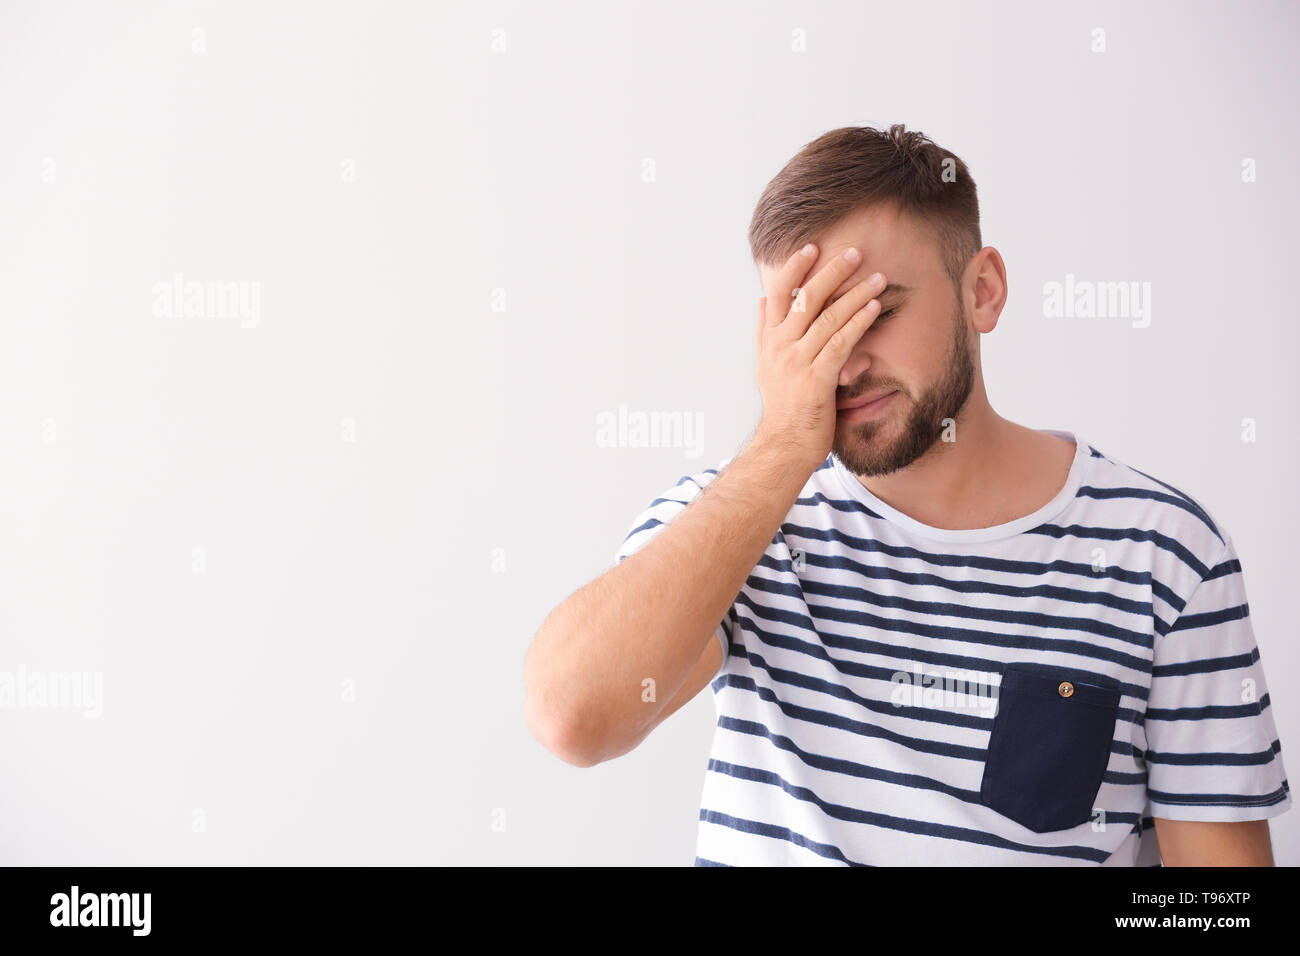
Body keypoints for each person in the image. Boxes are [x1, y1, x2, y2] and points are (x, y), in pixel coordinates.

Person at [522, 124, 1291, 866]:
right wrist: (783, 447)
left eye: (875, 313)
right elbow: (572, 718)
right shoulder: (739, 522)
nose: (843, 366)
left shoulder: (1164, 555)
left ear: (983, 292)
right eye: (810, 328)